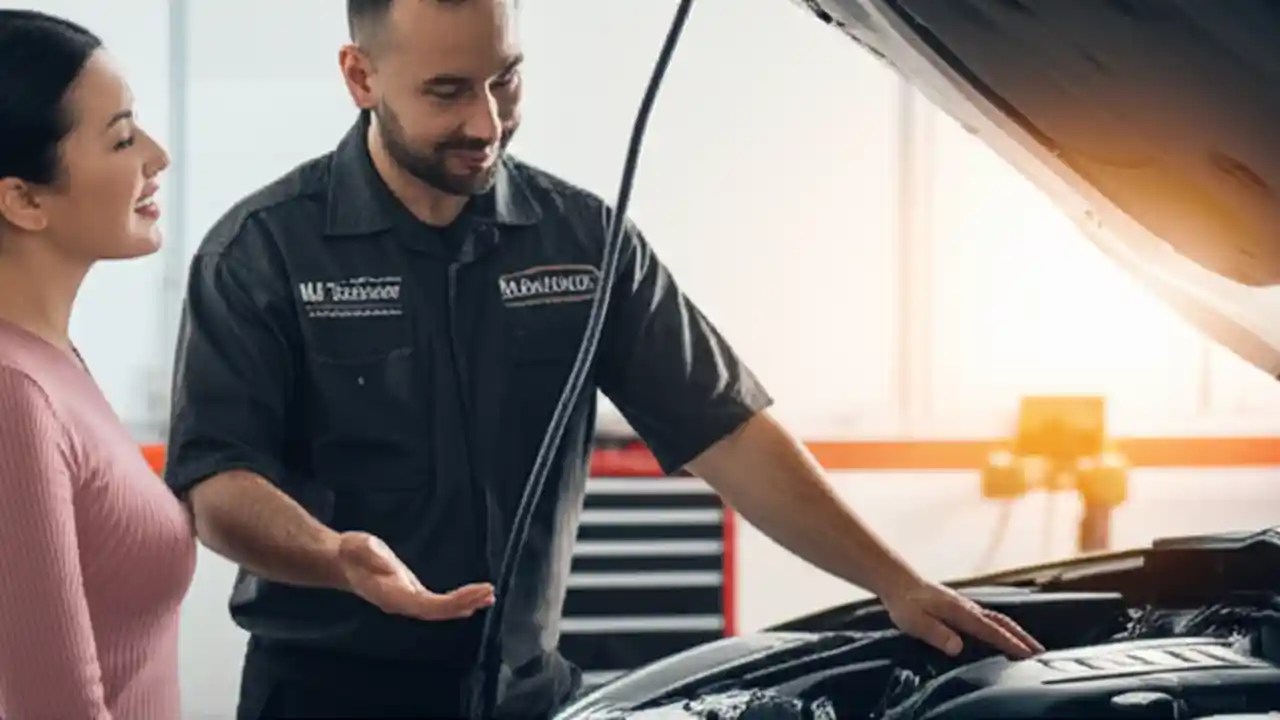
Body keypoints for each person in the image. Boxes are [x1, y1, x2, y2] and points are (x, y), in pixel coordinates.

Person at [163, 0, 1044, 717]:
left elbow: (725, 428)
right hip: (328, 697)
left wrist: (894, 580)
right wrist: (335, 556)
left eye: (506, 80)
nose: (486, 121)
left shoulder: (582, 241)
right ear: (360, 76)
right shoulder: (261, 253)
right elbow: (217, 483)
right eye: (446, 91)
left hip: (531, 696)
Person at [0, 9, 196, 720]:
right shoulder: (13, 392)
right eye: (121, 137)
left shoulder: (49, 363)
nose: (156, 155)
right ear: (23, 199)